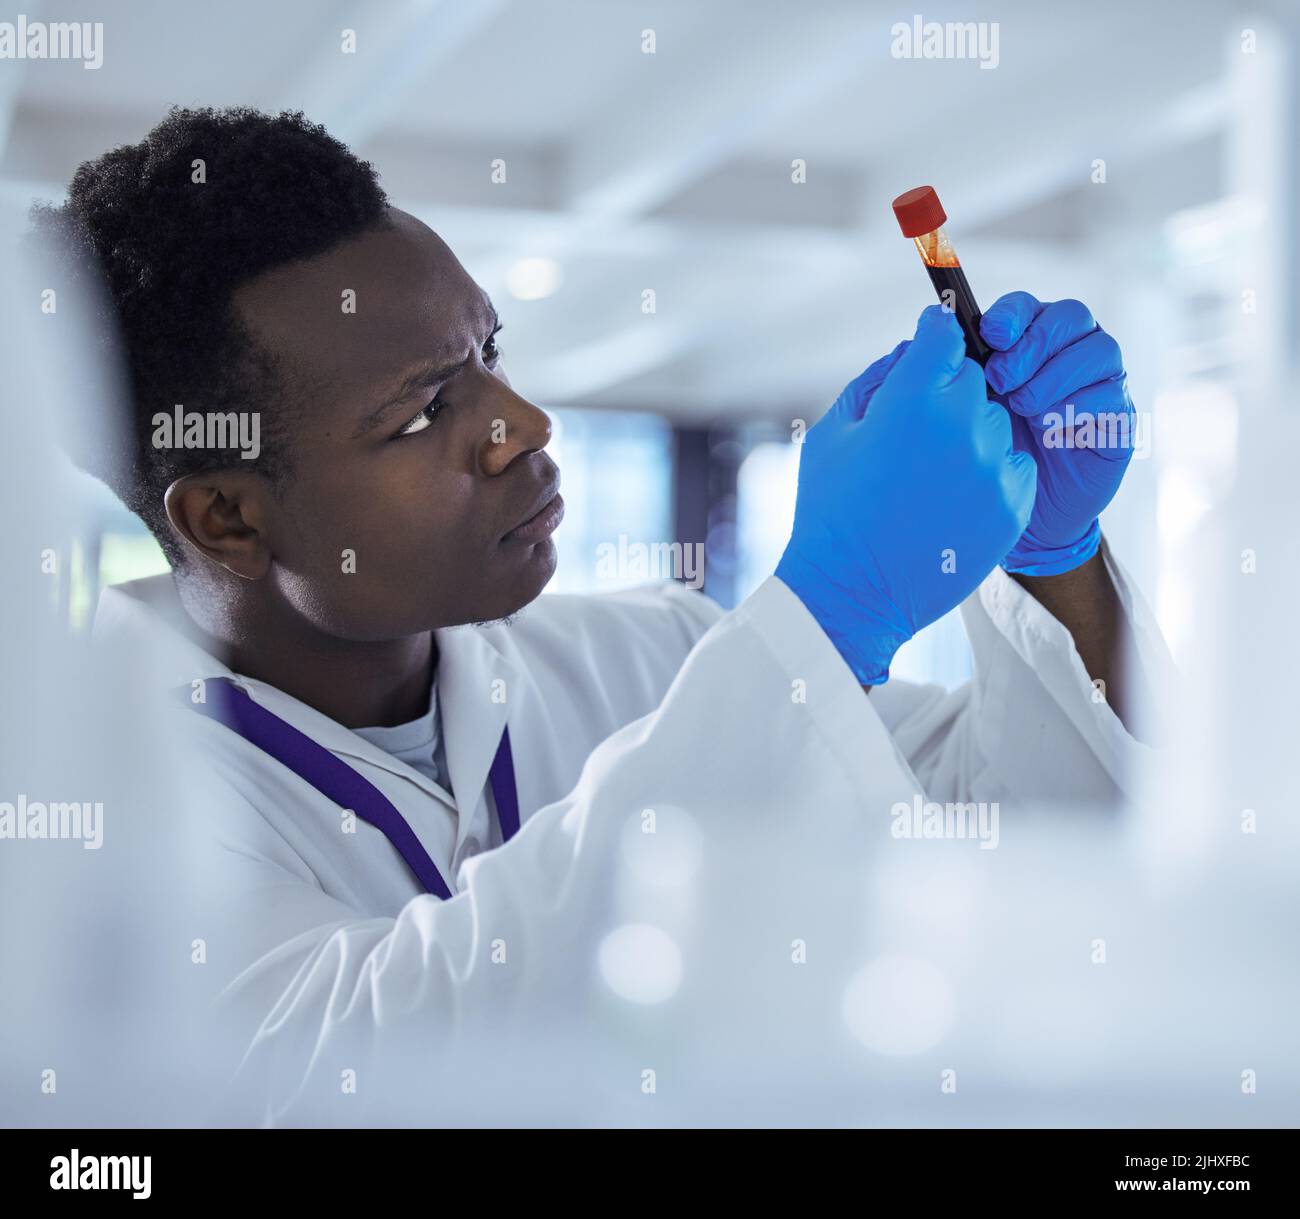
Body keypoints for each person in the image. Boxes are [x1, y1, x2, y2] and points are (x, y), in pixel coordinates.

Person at [31, 107, 1170, 1117]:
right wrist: (828, 620)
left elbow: (1024, 839)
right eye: (427, 409)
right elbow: (369, 1064)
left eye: (490, 355)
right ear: (228, 517)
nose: (522, 422)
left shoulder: (657, 655)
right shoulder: (81, 820)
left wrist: (1052, 557)